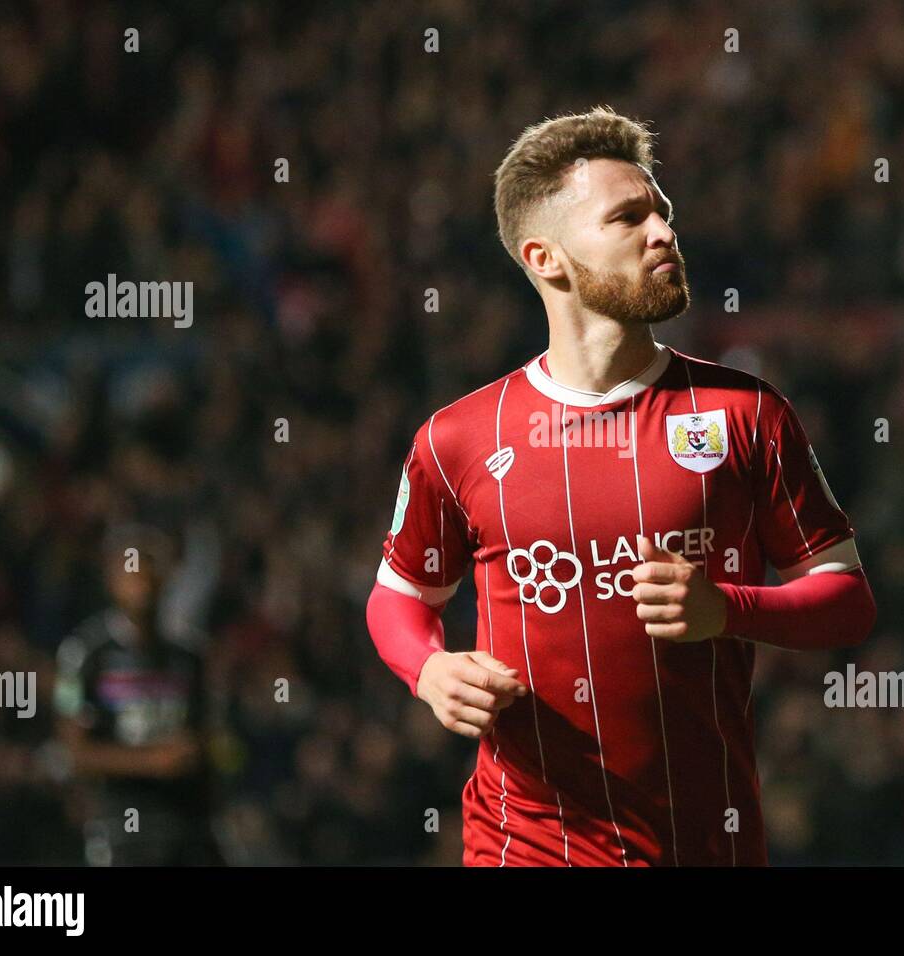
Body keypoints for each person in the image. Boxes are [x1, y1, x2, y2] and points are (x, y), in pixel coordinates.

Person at [366, 106, 876, 866]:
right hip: (524, 845)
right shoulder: (459, 438)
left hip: (704, 843)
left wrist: (725, 609)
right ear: (547, 258)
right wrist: (428, 667)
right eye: (628, 217)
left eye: (663, 213)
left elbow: (847, 600)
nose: (664, 232)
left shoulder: (747, 414)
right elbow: (400, 595)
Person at [54, 524, 219, 865]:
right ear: (111, 580)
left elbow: (206, 733)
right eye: (131, 569)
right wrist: (152, 762)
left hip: (187, 822)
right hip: (123, 825)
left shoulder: (190, 656)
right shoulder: (84, 655)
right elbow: (75, 752)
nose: (142, 579)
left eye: (151, 566)